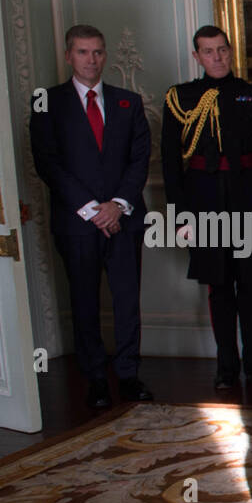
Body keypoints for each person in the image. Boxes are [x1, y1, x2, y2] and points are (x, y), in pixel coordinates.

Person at [29, 24, 152, 410]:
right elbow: (47, 163)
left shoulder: (128, 102)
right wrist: (92, 211)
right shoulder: (45, 102)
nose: (91, 59)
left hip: (125, 219)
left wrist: (116, 205)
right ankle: (97, 379)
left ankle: (129, 375)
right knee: (84, 302)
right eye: (82, 52)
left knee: (127, 300)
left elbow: (139, 160)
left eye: (97, 52)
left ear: (105, 54)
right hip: (76, 223)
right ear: (69, 56)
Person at [162, 24, 252, 390]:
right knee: (218, 288)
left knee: (249, 286)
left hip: (250, 200)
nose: (216, 57)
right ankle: (226, 367)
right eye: (208, 51)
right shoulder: (180, 98)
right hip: (204, 203)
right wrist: (181, 217)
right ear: (197, 56)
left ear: (231, 51)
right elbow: (171, 164)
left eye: (222, 50)